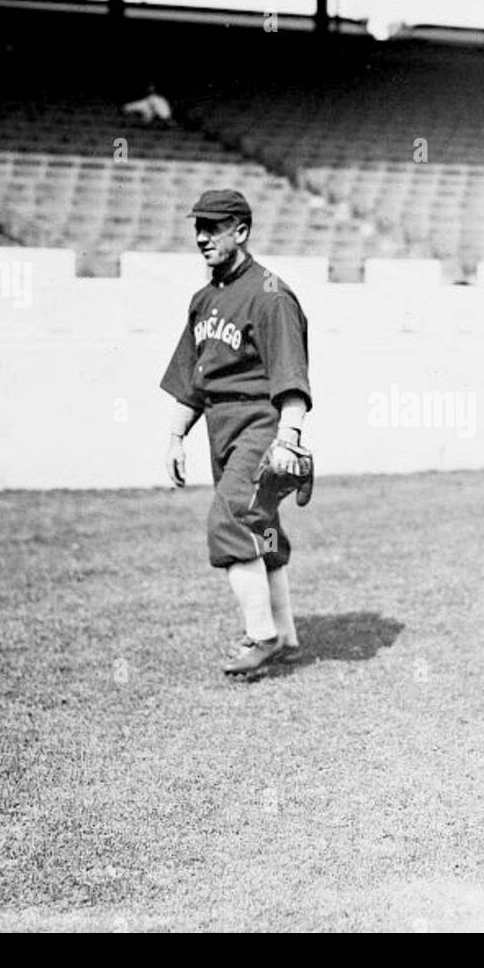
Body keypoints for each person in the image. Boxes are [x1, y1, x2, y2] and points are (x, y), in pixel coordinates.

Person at [160, 190, 313, 680]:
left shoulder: (270, 295)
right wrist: (175, 437)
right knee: (263, 528)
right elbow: (192, 383)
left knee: (230, 522)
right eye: (197, 226)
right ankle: (286, 636)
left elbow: (291, 377)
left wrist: (287, 436)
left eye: (214, 226)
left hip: (260, 424)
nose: (202, 236)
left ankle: (261, 636)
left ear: (241, 231)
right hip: (220, 428)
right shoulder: (202, 300)